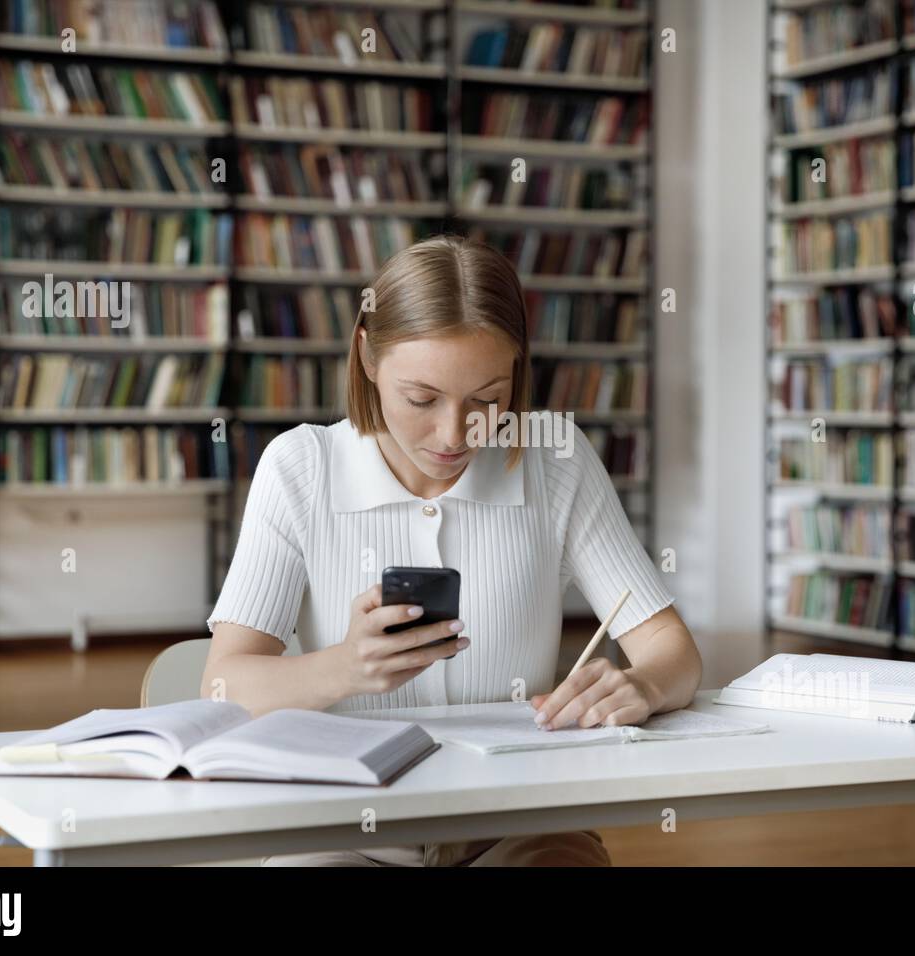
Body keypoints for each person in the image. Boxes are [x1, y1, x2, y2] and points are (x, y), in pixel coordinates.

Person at [202, 234, 703, 866]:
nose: (453, 433)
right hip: (340, 826)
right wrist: (346, 668)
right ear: (366, 356)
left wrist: (643, 685)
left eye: (487, 398)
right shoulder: (299, 468)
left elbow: (674, 651)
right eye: (421, 399)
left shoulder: (558, 462)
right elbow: (224, 683)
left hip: (517, 822)